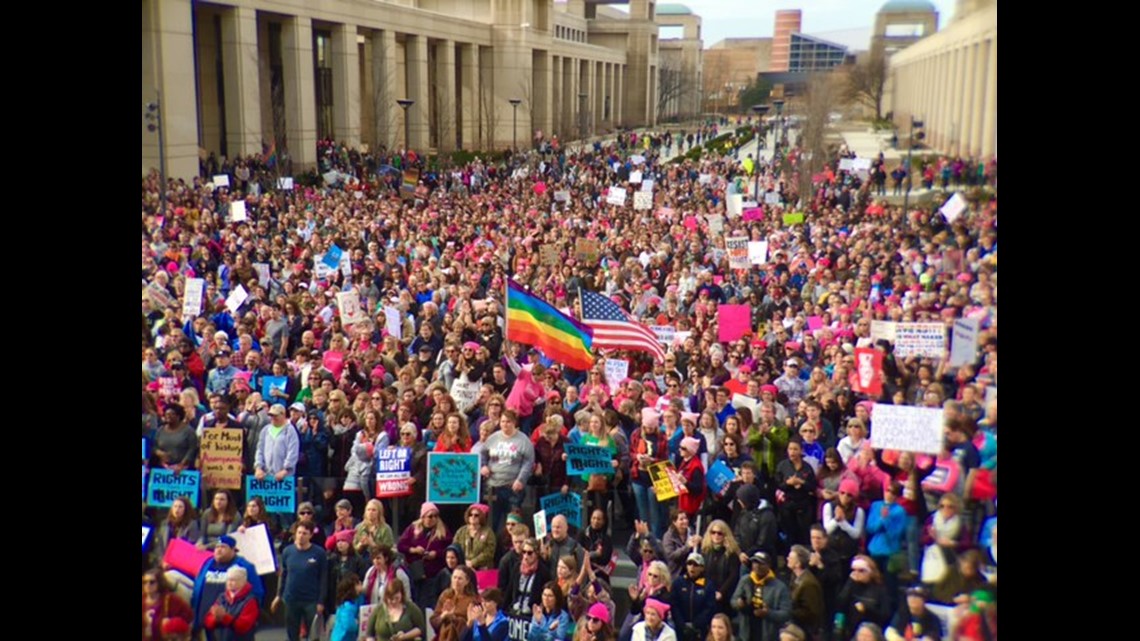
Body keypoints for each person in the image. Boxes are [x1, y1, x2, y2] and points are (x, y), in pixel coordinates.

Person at [191, 535, 265, 641]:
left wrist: (250, 620)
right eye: (217, 547)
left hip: (232, 627)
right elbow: (197, 588)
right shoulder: (207, 564)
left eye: (223, 547)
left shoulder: (244, 567)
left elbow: (257, 593)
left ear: (233, 550)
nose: (219, 550)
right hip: (207, 623)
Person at [481, 409, 536, 533]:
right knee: (492, 522)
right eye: (503, 421)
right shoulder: (493, 438)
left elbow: (528, 462)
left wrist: (521, 480)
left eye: (508, 422)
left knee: (513, 522)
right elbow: (483, 454)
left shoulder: (523, 440)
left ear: (514, 423)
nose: (505, 424)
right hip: (493, 486)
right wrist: (483, 466)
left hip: (513, 486)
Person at [273, 521, 328, 641]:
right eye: (299, 532)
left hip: (311, 600)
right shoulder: (287, 551)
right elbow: (283, 575)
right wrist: (278, 595)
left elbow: (323, 579)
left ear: (310, 535)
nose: (301, 536)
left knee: (313, 636)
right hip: (291, 599)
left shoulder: (319, 553)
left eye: (305, 533)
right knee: (292, 634)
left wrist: (321, 601)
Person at [397, 502, 453, 606]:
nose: (433, 519)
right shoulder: (413, 528)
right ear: (423, 517)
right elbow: (400, 545)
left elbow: (449, 548)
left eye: (436, 516)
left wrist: (436, 554)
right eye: (430, 516)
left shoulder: (443, 530)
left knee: (428, 601)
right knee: (415, 599)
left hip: (433, 573)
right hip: (415, 570)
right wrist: (413, 550)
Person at [731, 552, 792, 641]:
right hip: (746, 632)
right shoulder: (745, 580)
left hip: (767, 635)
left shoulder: (780, 587)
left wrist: (768, 613)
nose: (757, 566)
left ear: (768, 566)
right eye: (755, 563)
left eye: (761, 563)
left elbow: (786, 613)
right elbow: (733, 600)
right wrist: (739, 603)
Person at [833, 556, 890, 641]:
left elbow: (885, 615)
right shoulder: (851, 585)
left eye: (861, 571)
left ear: (870, 572)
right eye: (854, 570)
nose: (857, 573)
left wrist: (866, 610)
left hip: (872, 633)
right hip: (852, 632)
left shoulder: (880, 589)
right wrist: (850, 582)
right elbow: (840, 604)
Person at [775, 441, 818, 549]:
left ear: (801, 451)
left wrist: (802, 483)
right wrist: (788, 483)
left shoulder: (807, 467)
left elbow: (813, 486)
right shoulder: (782, 465)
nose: (792, 452)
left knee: (804, 534)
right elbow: (777, 484)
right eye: (790, 449)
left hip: (804, 506)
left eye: (795, 449)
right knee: (789, 535)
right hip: (787, 505)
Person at [204, 565, 260, 641]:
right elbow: (208, 622)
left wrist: (224, 617)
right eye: (228, 580)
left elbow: (243, 627)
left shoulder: (250, 601)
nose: (229, 583)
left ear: (243, 581)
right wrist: (215, 618)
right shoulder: (222, 598)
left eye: (233, 580)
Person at [670, 553, 716, 641]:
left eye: (696, 565)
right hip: (680, 629)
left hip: (700, 631)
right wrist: (682, 624)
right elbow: (674, 605)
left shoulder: (708, 585)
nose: (692, 567)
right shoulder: (678, 582)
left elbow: (709, 608)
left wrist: (695, 624)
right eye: (689, 564)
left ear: (702, 568)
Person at [699, 519, 741, 616]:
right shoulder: (705, 551)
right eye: (713, 532)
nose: (716, 536)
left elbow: (733, 575)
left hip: (725, 595)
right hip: (707, 592)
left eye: (719, 533)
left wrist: (721, 592)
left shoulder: (731, 553)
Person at [143, 568, 194, 641]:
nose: (148, 585)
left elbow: (189, 617)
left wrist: (172, 623)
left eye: (152, 582)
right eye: (144, 582)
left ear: (159, 582)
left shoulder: (171, 600)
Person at [431, 565, 480, 641]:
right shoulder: (446, 595)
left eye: (460, 579)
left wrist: (454, 619)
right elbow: (434, 621)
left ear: (467, 581)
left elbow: (474, 626)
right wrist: (443, 616)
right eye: (454, 577)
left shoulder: (472, 600)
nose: (456, 581)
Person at [505, 537, 551, 617]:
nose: (526, 556)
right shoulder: (517, 567)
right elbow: (510, 589)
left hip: (532, 613)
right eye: (524, 552)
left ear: (536, 553)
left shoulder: (543, 572)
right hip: (515, 609)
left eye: (529, 553)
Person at [325, 529, 369, 613]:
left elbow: (362, 579)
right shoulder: (332, 559)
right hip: (334, 597)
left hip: (351, 598)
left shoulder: (358, 560)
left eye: (343, 541)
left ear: (349, 543)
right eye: (338, 541)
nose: (340, 543)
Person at [785, 545, 824, 640]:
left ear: (798, 563)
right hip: (796, 624)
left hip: (806, 631)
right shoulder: (795, 577)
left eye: (790, 557)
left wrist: (788, 611)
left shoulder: (808, 583)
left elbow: (810, 612)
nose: (787, 558)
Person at [155, 496, 200, 560]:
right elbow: (159, 545)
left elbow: (191, 546)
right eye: (175, 506)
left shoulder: (192, 524)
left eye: (180, 507)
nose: (177, 509)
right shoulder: (165, 523)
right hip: (164, 561)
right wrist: (162, 560)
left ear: (186, 509)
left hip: (182, 561)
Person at [454, 503, 497, 570]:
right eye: (470, 515)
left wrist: (473, 562)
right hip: (463, 567)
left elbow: (489, 552)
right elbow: (455, 548)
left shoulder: (488, 532)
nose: (473, 517)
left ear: (482, 516)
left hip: (482, 569)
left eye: (476, 515)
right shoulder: (461, 531)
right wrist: (463, 562)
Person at [579, 508, 615, 580]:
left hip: (600, 575)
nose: (595, 521)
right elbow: (579, 554)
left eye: (599, 519)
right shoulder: (582, 535)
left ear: (603, 521)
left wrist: (587, 554)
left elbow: (604, 560)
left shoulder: (606, 539)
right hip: (583, 574)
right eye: (594, 518)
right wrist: (596, 554)